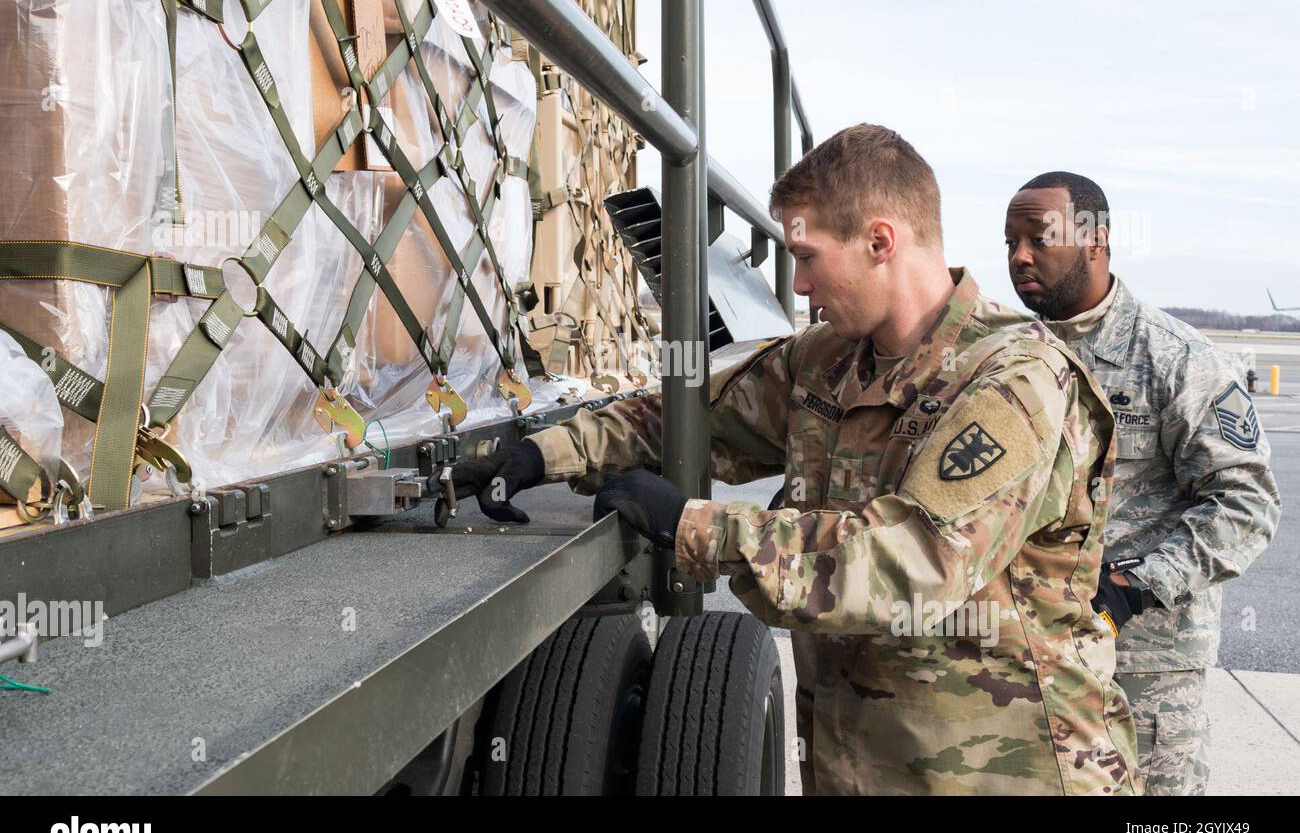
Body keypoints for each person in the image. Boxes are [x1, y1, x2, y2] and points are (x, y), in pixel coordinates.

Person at [456, 125, 1140, 795]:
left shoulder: (1016, 383)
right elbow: (686, 416)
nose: (800, 284)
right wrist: (538, 453)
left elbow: (909, 563)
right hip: (863, 763)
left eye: (808, 256)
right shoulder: (826, 359)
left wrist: (696, 525)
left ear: (879, 241)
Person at [1005, 171, 1280, 795]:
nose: (1020, 256)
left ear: (1097, 240)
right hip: (1023, 659)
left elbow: (1246, 503)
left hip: (1142, 670)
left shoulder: (1177, 360)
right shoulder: (1009, 355)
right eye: (1010, 242)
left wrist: (1136, 584)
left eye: (1038, 237)